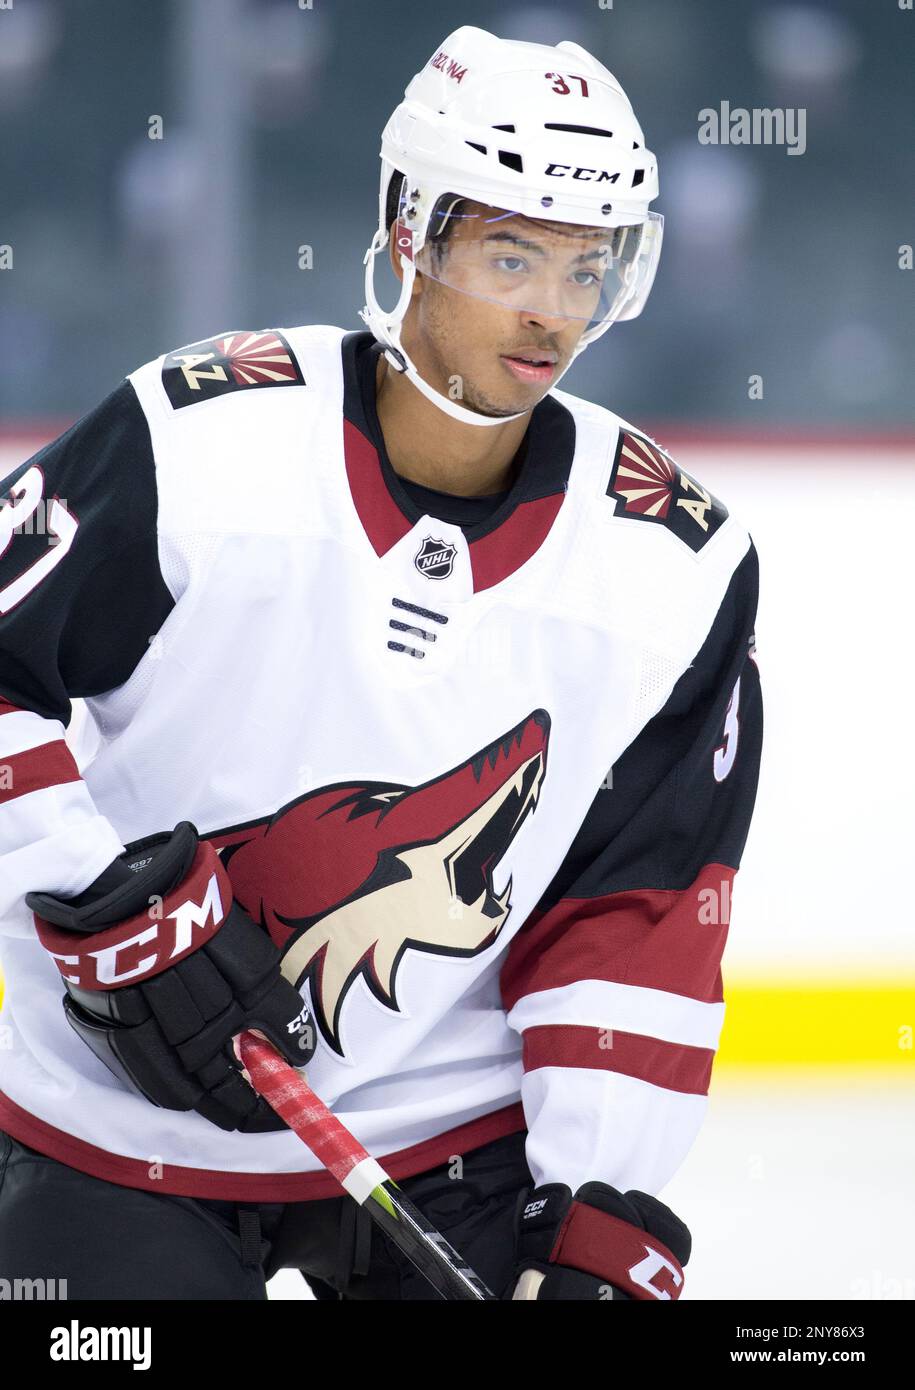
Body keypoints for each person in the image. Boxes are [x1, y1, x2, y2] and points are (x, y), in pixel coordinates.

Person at [0, 26, 762, 1300]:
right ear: (411, 228)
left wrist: (596, 1199)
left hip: (447, 1148)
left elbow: (638, 907)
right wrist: (105, 896)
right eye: (511, 253)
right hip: (105, 1124)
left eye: (587, 268)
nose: (550, 312)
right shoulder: (201, 444)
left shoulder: (673, 562)